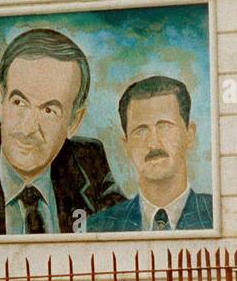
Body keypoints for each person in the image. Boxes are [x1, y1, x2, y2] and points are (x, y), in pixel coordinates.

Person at [0, 28, 124, 234]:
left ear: (74, 122)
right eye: (19, 102)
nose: (28, 128)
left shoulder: (89, 164)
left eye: (49, 110)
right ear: (0, 101)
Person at [87, 76, 214, 232]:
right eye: (140, 131)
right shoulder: (98, 227)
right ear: (126, 145)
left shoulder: (219, 214)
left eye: (164, 127)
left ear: (189, 134)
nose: (153, 143)